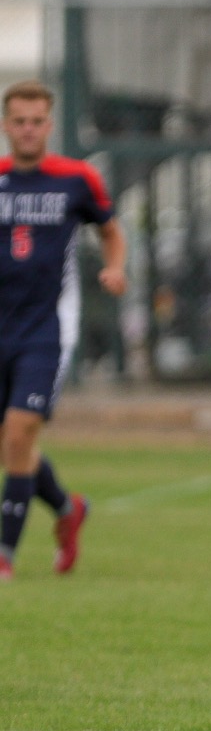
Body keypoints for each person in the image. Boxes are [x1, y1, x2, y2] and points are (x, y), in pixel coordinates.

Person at [0, 80, 126, 581]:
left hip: (48, 328)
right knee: (14, 445)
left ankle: (4, 556)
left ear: (49, 126)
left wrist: (115, 268)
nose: (28, 130)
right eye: (19, 121)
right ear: (7, 125)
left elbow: (111, 230)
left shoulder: (77, 179)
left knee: (19, 432)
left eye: (37, 121)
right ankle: (68, 509)